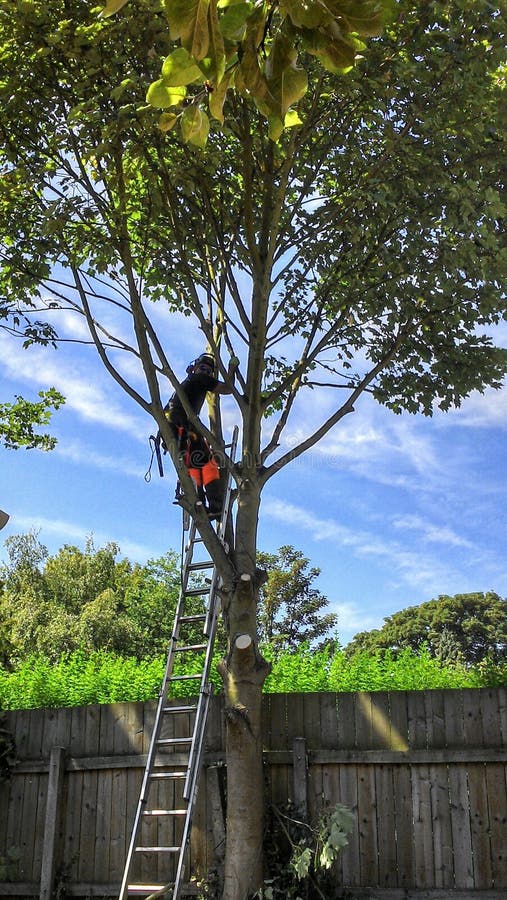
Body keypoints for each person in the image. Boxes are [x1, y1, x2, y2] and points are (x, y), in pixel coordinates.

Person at [164, 352, 238, 518]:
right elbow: (227, 389)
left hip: (172, 429)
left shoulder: (186, 383)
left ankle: (199, 503)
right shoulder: (200, 379)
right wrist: (232, 369)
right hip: (184, 428)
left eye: (209, 372)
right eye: (203, 369)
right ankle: (215, 506)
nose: (206, 373)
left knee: (195, 465)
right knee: (208, 463)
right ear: (195, 369)